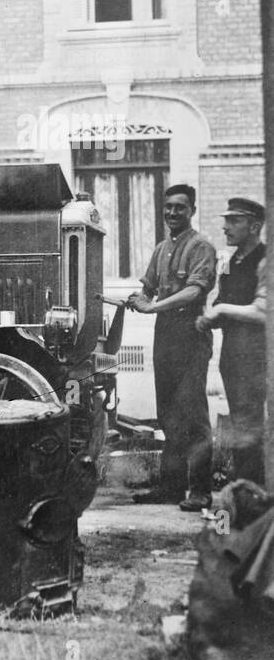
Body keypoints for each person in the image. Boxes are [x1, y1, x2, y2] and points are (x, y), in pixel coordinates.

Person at [128, 184, 217, 512]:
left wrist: (153, 306)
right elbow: (147, 290)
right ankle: (170, 487)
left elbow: (194, 292)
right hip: (164, 336)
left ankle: (201, 492)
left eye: (179, 207)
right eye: (167, 207)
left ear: (192, 209)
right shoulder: (161, 248)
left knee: (193, 415)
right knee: (168, 415)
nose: (172, 213)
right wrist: (138, 300)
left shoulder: (201, 247)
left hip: (191, 336)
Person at [196, 197, 266, 485]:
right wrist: (209, 316)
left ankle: (251, 490)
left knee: (250, 424)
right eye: (226, 219)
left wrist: (221, 311)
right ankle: (244, 489)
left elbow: (263, 312)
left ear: (255, 226)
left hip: (258, 355)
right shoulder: (229, 260)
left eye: (234, 220)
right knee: (239, 421)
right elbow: (223, 298)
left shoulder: (265, 260)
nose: (225, 226)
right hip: (233, 354)